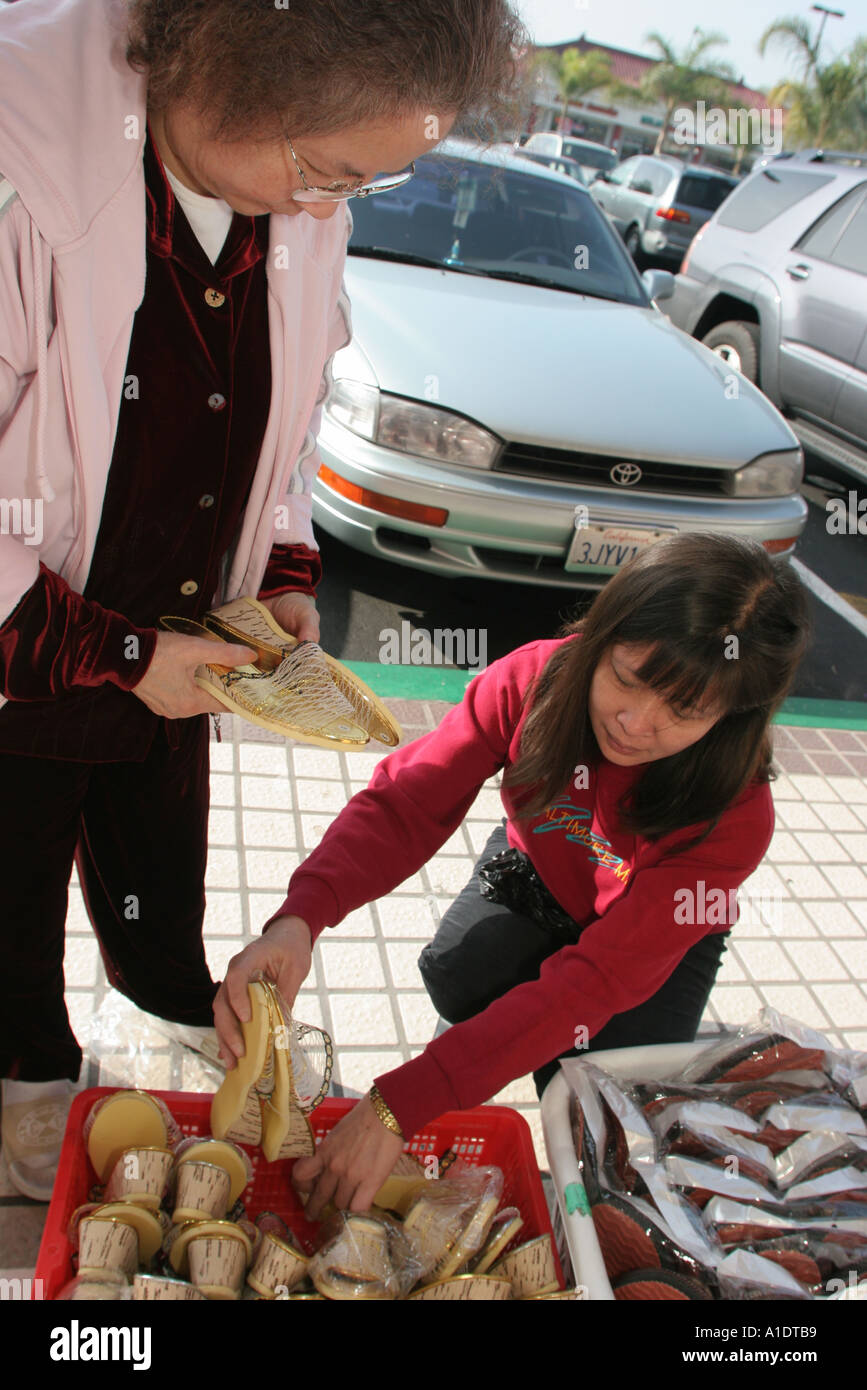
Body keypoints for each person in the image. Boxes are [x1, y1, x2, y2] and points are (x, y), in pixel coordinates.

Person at [0, 0, 527, 1198]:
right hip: (21, 662)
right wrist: (116, 648)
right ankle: (26, 1102)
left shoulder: (291, 205)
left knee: (155, 888)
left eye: (364, 183)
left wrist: (281, 570)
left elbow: (286, 419)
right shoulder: (21, 159)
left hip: (172, 656)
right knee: (11, 905)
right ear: (236, 71)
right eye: (326, 169)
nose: (332, 205)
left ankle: (160, 1037)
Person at [215, 533, 811, 1216]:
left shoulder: (732, 816)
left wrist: (397, 1101)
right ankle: (463, 1054)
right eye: (626, 676)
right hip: (538, 867)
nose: (632, 722)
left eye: (682, 712)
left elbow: (596, 981)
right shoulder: (530, 680)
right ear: (602, 632)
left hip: (651, 939)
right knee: (459, 975)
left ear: (733, 715)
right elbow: (407, 802)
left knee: (601, 1103)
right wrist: (300, 917)